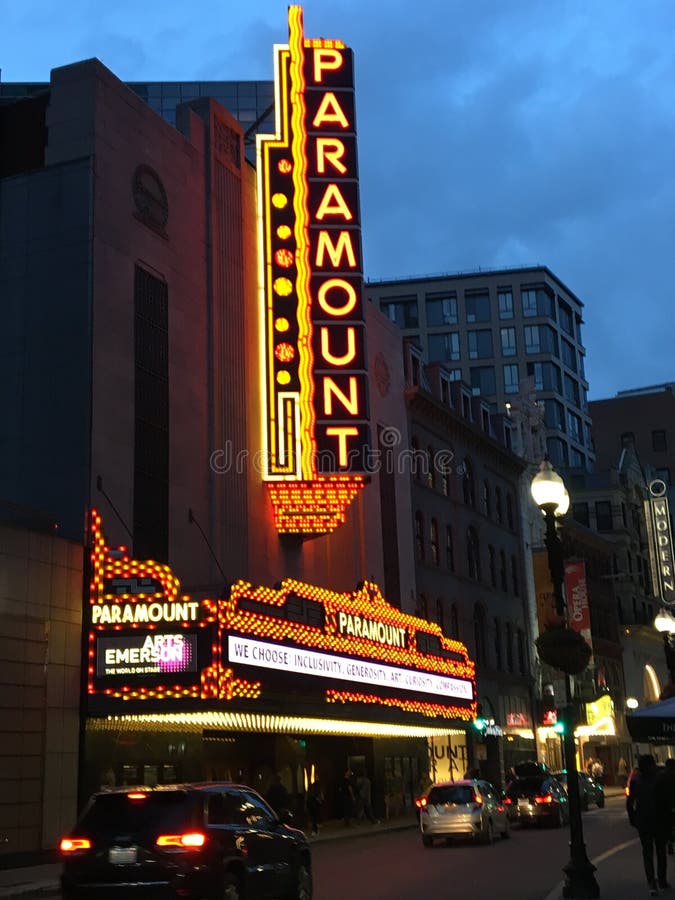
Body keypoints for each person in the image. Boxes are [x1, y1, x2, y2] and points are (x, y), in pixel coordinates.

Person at [628, 753, 670, 895]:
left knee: (647, 852)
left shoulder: (636, 780)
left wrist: (633, 818)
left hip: (643, 820)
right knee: (660, 851)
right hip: (659, 819)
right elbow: (667, 800)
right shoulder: (660, 778)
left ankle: (652, 882)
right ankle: (662, 881)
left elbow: (630, 802)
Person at [656, 758, 675, 857]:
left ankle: (670, 842)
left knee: (668, 825)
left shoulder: (661, 776)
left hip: (665, 806)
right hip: (671, 804)